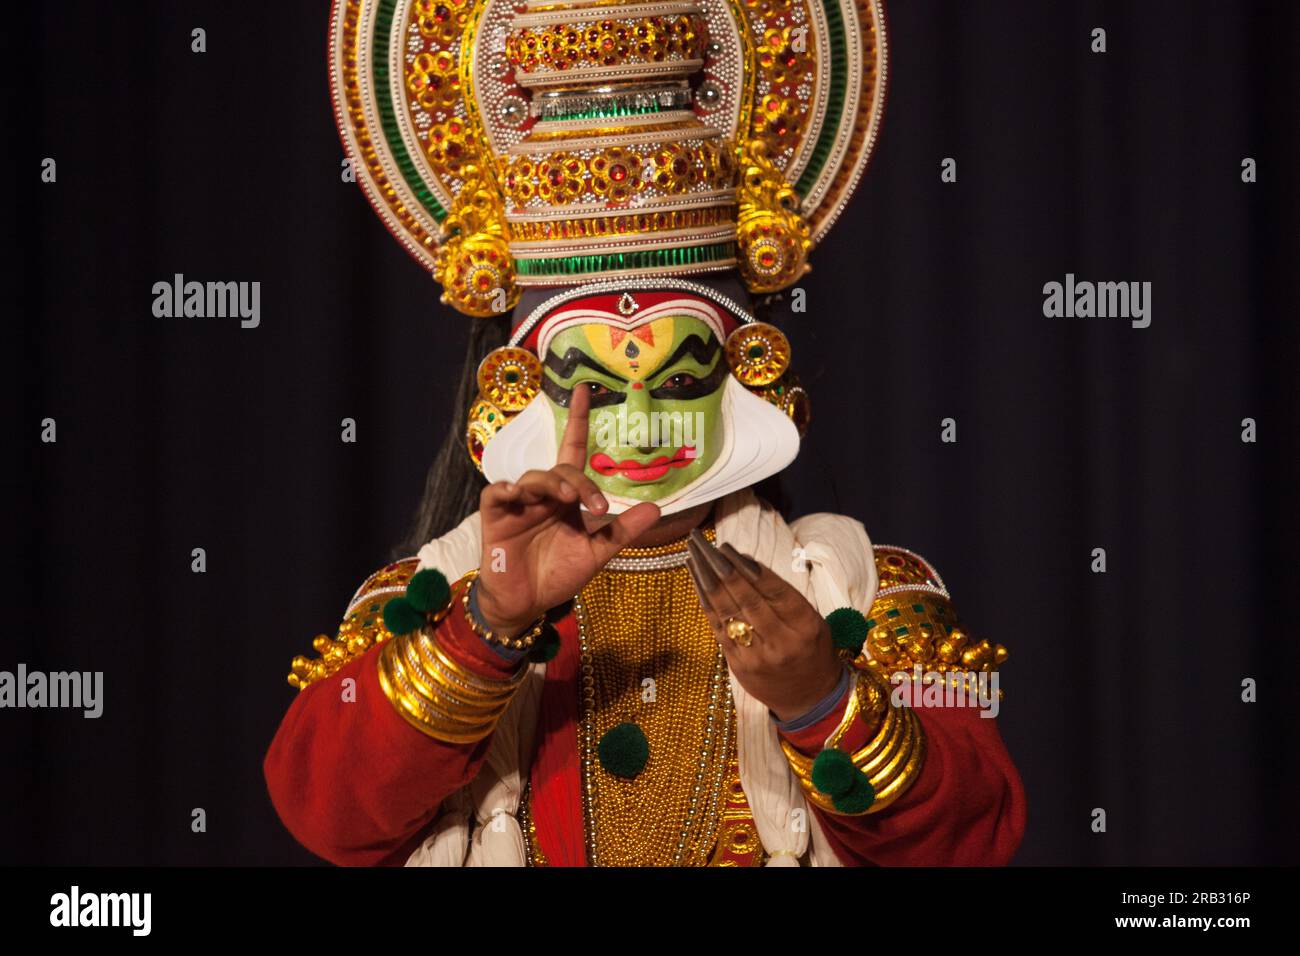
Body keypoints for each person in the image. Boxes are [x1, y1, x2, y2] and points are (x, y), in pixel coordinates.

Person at [263, 0, 1025, 866]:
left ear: (748, 376)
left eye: (678, 376)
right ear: (518, 388)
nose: (639, 415)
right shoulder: (431, 604)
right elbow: (327, 815)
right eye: (589, 383)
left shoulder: (865, 597)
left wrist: (823, 698)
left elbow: (975, 835)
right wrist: (489, 625)